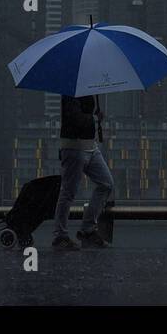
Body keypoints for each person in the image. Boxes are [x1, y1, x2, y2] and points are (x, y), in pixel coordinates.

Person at [51, 93, 114, 249]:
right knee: (68, 192)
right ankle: (60, 236)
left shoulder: (87, 89)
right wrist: (94, 118)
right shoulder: (69, 91)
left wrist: (96, 117)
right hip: (74, 147)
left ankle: (87, 230)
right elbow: (74, 118)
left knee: (106, 184)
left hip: (90, 146)